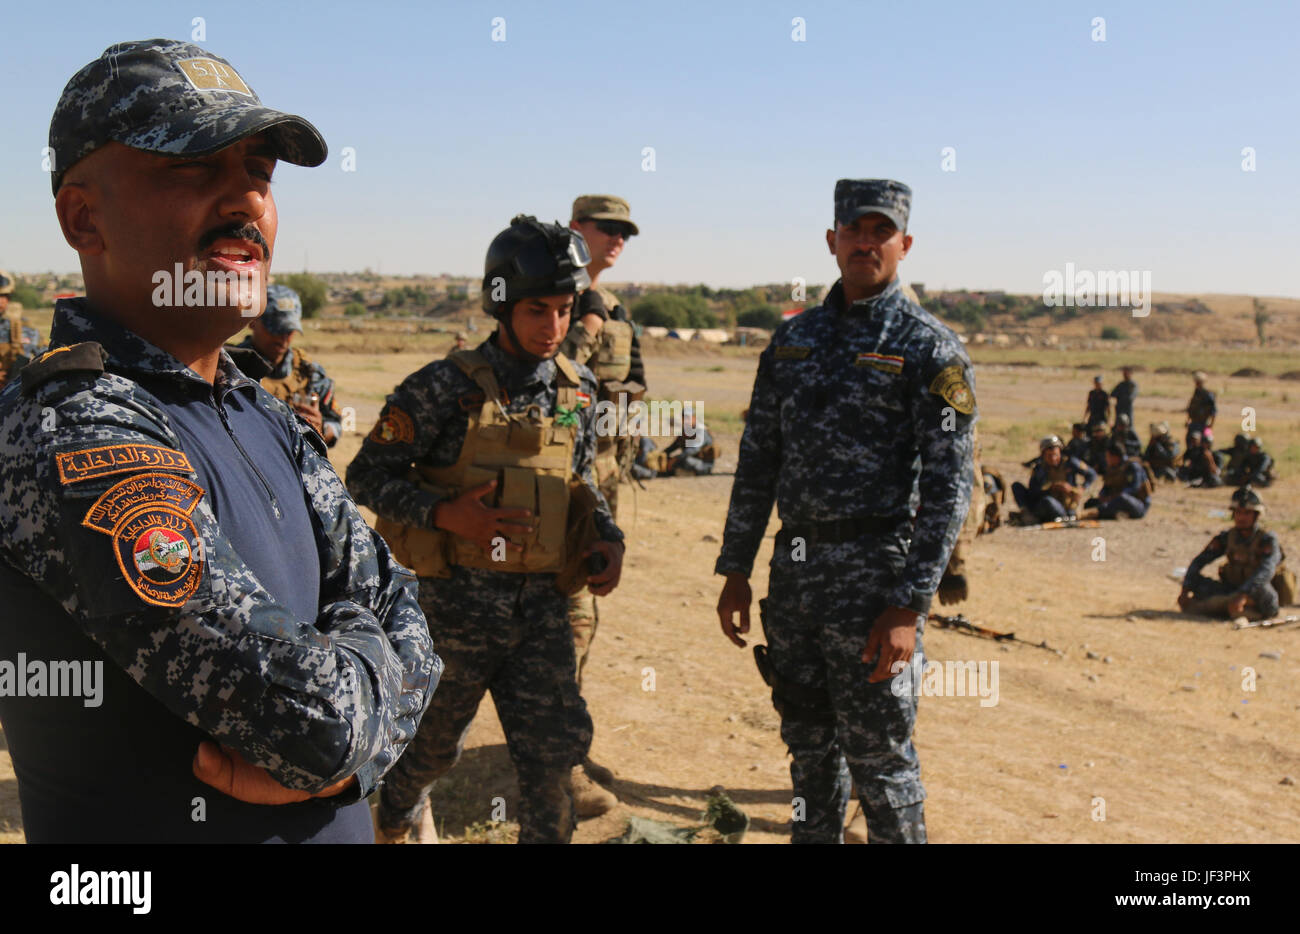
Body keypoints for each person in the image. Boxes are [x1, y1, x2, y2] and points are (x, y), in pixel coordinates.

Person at [0, 38, 439, 844]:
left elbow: (405, 605)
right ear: (82, 217)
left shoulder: (258, 409)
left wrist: (353, 739)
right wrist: (358, 727)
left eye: (260, 173)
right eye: (196, 168)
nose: (247, 201)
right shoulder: (76, 428)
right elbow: (310, 724)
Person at [347, 215, 625, 844]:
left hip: (544, 613)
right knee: (430, 752)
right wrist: (447, 514)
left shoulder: (573, 392)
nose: (553, 326)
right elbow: (365, 478)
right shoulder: (441, 388)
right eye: (536, 309)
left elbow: (582, 484)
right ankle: (392, 823)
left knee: (553, 763)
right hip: (454, 613)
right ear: (501, 304)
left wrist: (608, 541)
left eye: (563, 309)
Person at [715, 178, 976, 844]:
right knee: (807, 753)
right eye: (853, 231)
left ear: (904, 244)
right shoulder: (793, 343)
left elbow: (950, 488)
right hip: (795, 575)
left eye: (880, 231)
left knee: (882, 763)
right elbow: (757, 462)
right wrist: (736, 568)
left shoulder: (928, 348)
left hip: (874, 585)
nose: (866, 243)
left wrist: (910, 605)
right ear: (831, 241)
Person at [556, 194, 645, 812]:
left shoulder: (611, 305)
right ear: (574, 229)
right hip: (561, 483)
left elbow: (629, 383)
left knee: (584, 620)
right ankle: (558, 764)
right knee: (568, 621)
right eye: (605, 228)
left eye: (624, 232)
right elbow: (555, 386)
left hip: (602, 477)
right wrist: (582, 331)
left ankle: (570, 748)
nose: (616, 239)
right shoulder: (551, 294)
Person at [228, 283, 344, 446]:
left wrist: (321, 427)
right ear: (253, 321)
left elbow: (336, 425)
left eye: (289, 330)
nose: (283, 337)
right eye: (275, 329)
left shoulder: (310, 372)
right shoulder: (226, 367)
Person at [1179, 487, 1293, 620]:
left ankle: (1242, 608)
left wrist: (1243, 596)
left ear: (1256, 515)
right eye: (1238, 512)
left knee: (1262, 589)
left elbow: (1265, 571)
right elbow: (1199, 561)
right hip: (1233, 588)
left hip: (1258, 593)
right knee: (1196, 583)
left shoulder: (1266, 540)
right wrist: (1185, 590)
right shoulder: (1227, 537)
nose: (1241, 517)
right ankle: (1232, 607)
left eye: (1247, 513)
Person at [1011, 436, 1096, 523]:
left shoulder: (1070, 462)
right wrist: (1051, 488)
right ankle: (1026, 513)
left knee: (1048, 502)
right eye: (1049, 456)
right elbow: (1033, 492)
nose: (1053, 459)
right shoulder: (1039, 468)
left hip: (1065, 504)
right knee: (1017, 486)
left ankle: (1058, 516)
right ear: (1043, 455)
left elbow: (1091, 474)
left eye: (1055, 455)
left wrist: (1081, 488)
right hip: (1044, 500)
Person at [0, 269, 47, 388]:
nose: (1, 301)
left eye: (3, 295)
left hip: (14, 399)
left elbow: (46, 361)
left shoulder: (25, 329)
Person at [1083, 443, 1150, 519]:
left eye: (1108, 456)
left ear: (1115, 457)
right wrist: (1103, 496)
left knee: (1121, 498)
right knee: (1091, 503)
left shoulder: (1132, 466)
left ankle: (1096, 513)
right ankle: (1116, 513)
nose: (1106, 459)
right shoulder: (1112, 468)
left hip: (1137, 505)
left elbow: (1134, 488)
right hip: (1115, 501)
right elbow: (1106, 486)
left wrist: (1114, 497)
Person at [661, 405, 717, 475]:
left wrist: (676, 459)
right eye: (684, 418)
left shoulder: (701, 431)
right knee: (667, 459)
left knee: (685, 459)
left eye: (688, 418)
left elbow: (694, 449)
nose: (686, 421)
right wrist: (662, 454)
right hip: (691, 460)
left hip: (703, 465)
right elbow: (675, 445)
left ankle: (683, 472)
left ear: (694, 418)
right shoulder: (685, 430)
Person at [1185, 371, 1216, 446]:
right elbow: (1192, 408)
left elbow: (1213, 411)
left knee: (1203, 443)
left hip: (1203, 423)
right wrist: (1188, 420)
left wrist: (1211, 424)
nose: (1197, 383)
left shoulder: (1208, 395)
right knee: (1190, 442)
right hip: (1193, 423)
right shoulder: (1196, 393)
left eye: (1198, 382)